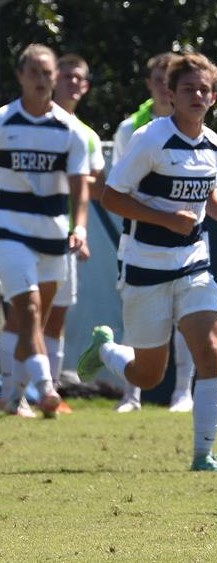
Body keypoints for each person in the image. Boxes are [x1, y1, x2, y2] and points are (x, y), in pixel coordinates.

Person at [77, 52, 217, 472]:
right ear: (171, 95)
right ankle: (106, 349)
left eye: (204, 89)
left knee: (210, 351)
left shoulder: (215, 146)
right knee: (148, 376)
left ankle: (203, 455)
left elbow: (207, 191)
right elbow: (111, 196)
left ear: (214, 97)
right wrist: (164, 219)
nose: (197, 95)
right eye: (188, 89)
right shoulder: (150, 138)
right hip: (144, 268)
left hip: (194, 265)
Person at [0, 44, 90, 418]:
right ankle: (47, 388)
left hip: (53, 235)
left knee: (29, 321)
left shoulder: (70, 130)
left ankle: (10, 396)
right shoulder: (3, 121)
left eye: (47, 73)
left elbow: (80, 186)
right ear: (20, 76)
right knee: (30, 310)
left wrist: (80, 227)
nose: (42, 79)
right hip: (9, 231)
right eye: (34, 72)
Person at [111, 52, 196, 414]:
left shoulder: (198, 127)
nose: (164, 86)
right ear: (150, 84)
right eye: (159, 79)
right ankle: (131, 396)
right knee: (139, 322)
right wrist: (163, 217)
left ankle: (183, 393)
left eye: (169, 79)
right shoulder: (132, 129)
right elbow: (118, 188)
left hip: (188, 245)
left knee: (190, 318)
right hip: (141, 242)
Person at [41, 53, 108, 414]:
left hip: (64, 237)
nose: (72, 83)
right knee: (22, 314)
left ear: (86, 86)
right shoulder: (32, 122)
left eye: (78, 77)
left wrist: (79, 227)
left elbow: (97, 188)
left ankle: (47, 392)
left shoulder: (87, 136)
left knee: (56, 315)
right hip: (22, 234)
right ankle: (14, 389)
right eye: (66, 76)